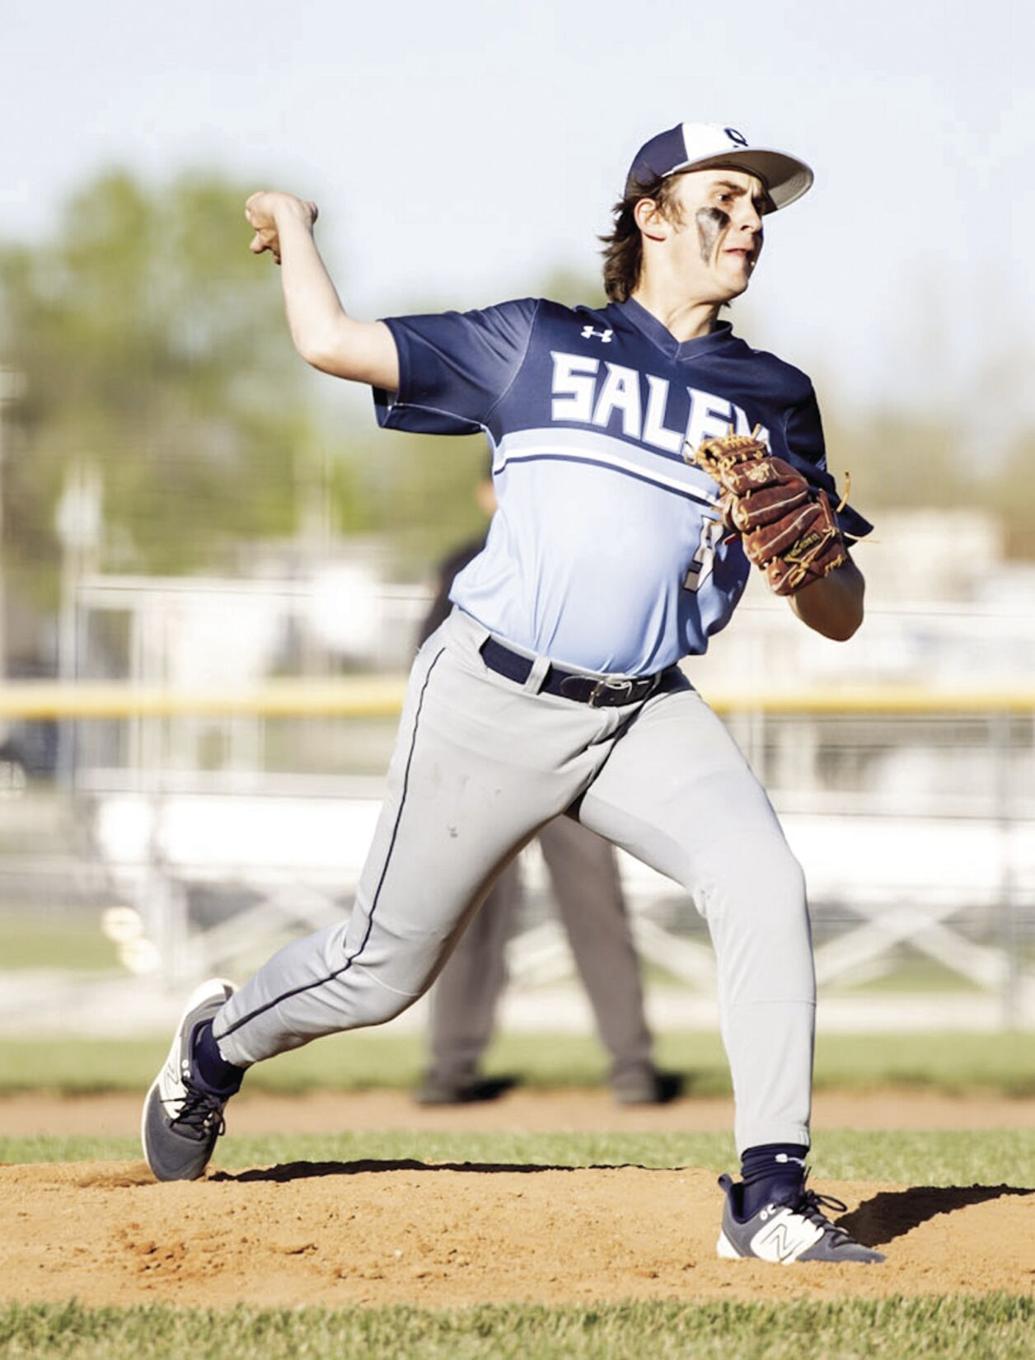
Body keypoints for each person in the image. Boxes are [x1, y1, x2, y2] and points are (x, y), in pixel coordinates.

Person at [142, 121, 883, 1264]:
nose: (748, 225)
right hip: (490, 694)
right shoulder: (537, 342)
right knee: (377, 970)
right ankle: (211, 1050)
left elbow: (841, 612)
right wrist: (292, 228)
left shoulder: (773, 396)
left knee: (763, 881)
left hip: (645, 709)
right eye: (724, 200)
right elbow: (333, 342)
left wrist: (811, 556)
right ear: (649, 213)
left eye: (759, 212)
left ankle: (769, 1194)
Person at [416, 480, 678, 1106]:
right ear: (487, 492)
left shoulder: (570, 552)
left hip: (547, 756)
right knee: (479, 914)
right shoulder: (472, 562)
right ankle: (453, 1067)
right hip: (517, 760)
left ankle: (631, 1067)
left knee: (589, 910)